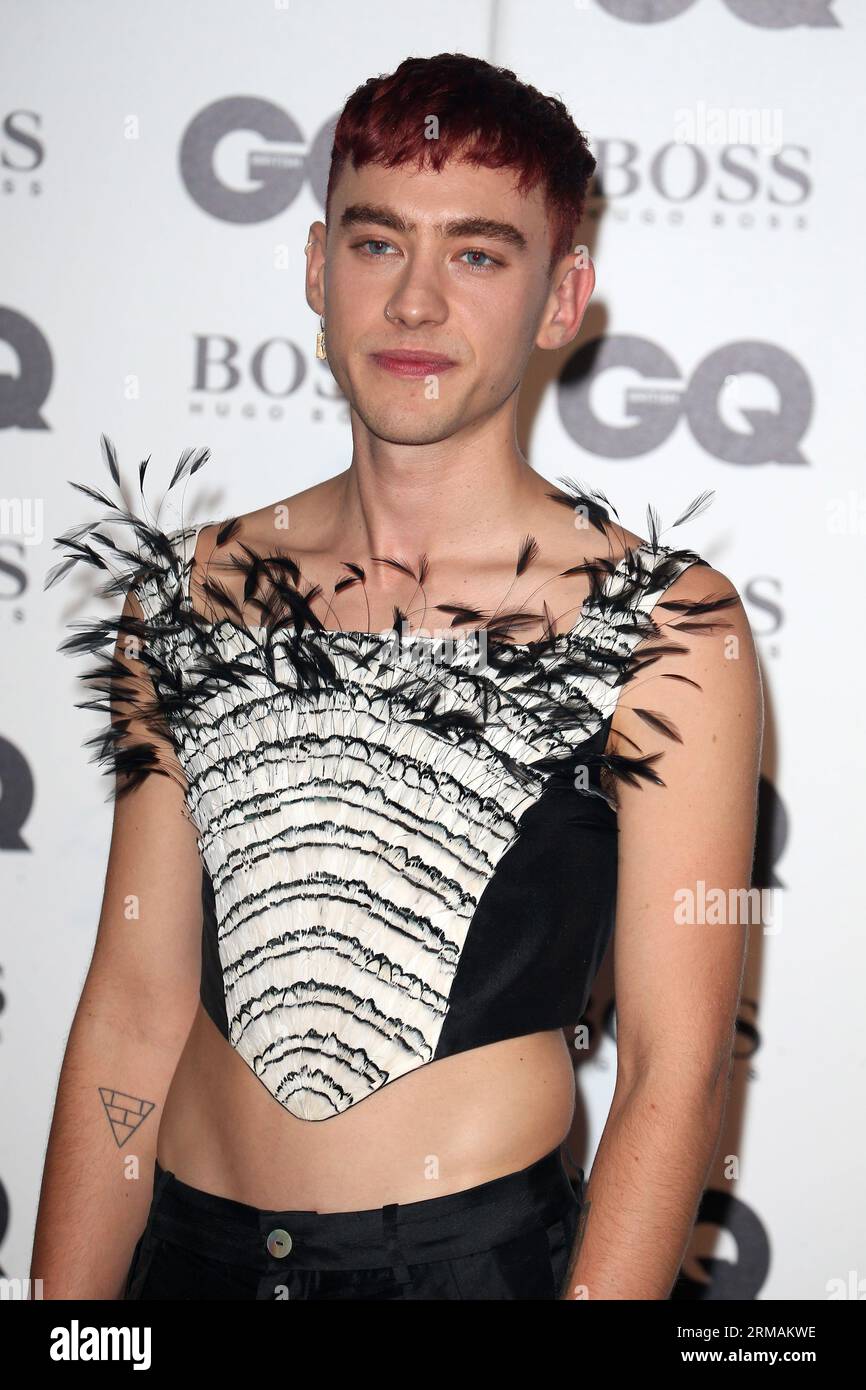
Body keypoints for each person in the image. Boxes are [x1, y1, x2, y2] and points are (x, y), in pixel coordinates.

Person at [31, 52, 762, 1301]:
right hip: (182, 1263)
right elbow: (132, 1011)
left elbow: (673, 1073)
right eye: (378, 245)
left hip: (465, 1271)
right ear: (318, 270)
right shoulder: (190, 595)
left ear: (558, 295)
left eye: (477, 254)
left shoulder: (662, 623)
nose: (416, 304)